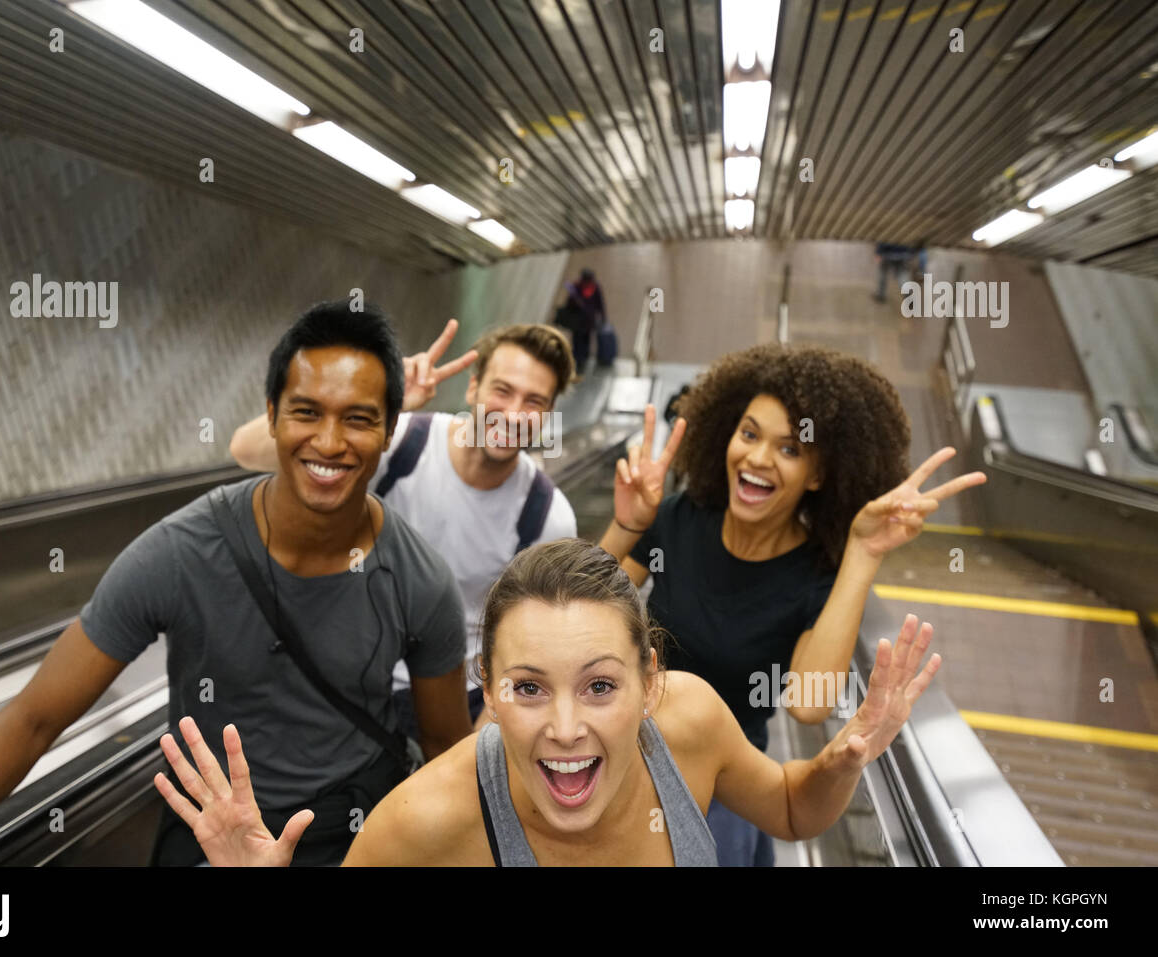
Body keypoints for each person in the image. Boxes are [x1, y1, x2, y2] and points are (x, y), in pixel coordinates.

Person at [0, 300, 472, 868]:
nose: (330, 442)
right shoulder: (183, 553)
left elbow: (446, 750)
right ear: (271, 418)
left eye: (358, 420)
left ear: (391, 430)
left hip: (348, 832)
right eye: (306, 412)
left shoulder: (417, 582)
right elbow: (31, 722)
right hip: (209, 830)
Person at [153, 539, 943, 866]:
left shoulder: (692, 721)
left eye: (601, 685)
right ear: (488, 689)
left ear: (651, 680)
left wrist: (841, 759)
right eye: (528, 688)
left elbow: (792, 811)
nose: (566, 729)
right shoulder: (428, 819)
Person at [598, 343, 986, 865]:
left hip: (727, 778)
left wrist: (864, 551)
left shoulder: (811, 580)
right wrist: (627, 525)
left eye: (789, 449)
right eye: (749, 434)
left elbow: (808, 703)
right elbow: (585, 609)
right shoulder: (681, 518)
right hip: (628, 745)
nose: (757, 458)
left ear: (819, 476)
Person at [228, 322, 579, 735]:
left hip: (455, 702)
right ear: (473, 389)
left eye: (534, 401)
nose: (514, 414)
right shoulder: (402, 441)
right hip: (349, 683)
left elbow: (533, 647)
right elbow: (245, 451)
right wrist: (384, 403)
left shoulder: (547, 517)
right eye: (502, 391)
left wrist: (479, 747)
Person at [562, 268, 606, 374]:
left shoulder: (594, 288)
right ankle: (578, 360)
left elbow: (600, 303)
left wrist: (603, 317)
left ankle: (583, 359)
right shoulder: (576, 288)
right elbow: (569, 304)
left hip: (588, 321)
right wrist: (575, 302)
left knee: (585, 340)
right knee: (577, 341)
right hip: (578, 321)